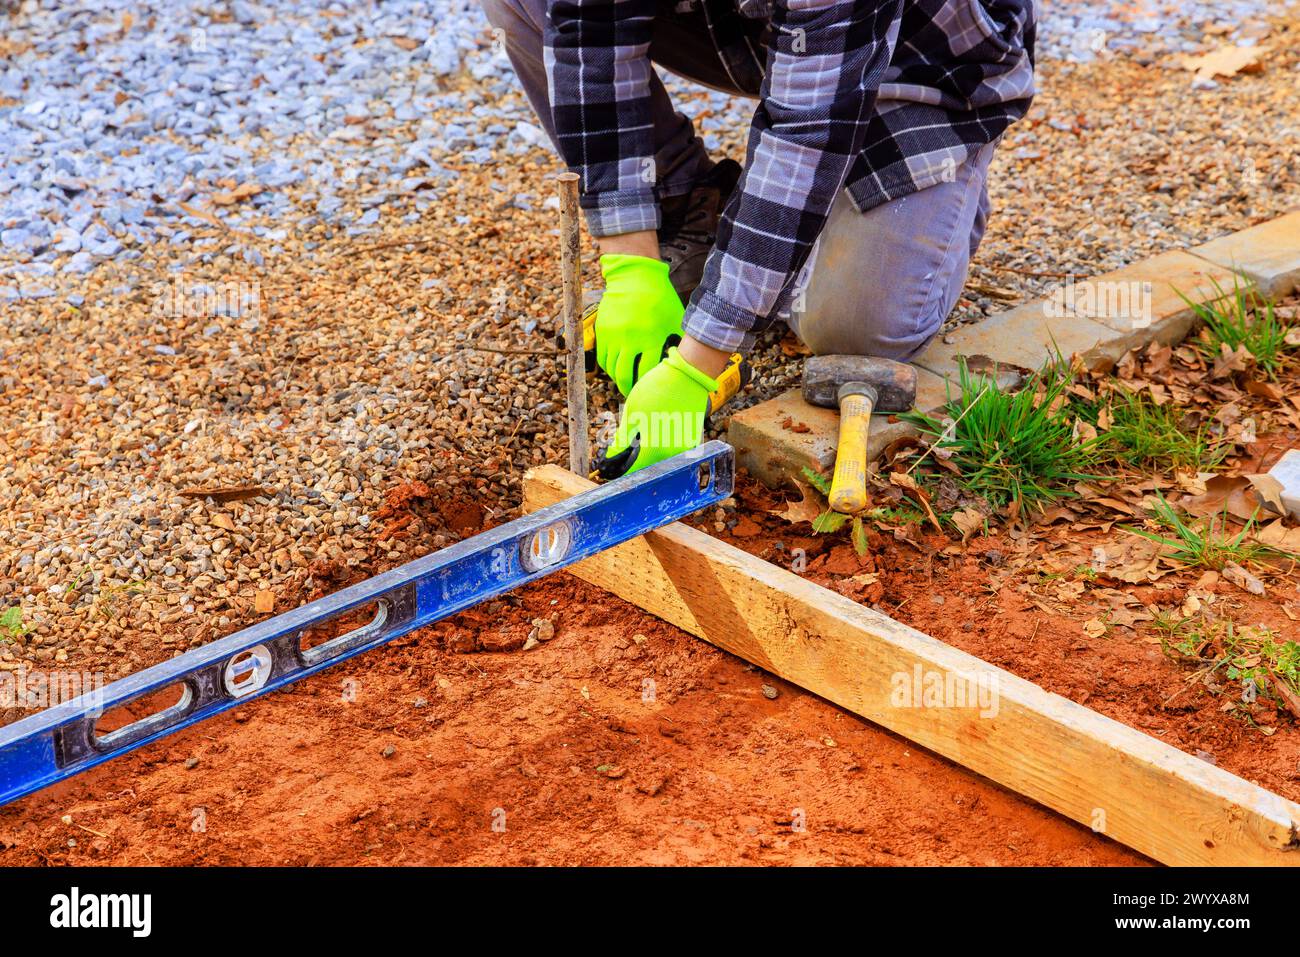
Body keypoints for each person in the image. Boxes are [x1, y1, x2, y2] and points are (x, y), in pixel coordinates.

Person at [483, 0, 1037, 472]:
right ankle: (696, 205)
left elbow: (806, 128)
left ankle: (934, 182)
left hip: (924, 61)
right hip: (761, 34)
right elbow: (589, 30)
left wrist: (694, 367)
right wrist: (631, 264)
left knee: (856, 326)